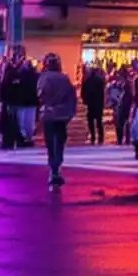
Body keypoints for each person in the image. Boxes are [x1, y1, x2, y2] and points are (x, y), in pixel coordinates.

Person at [37, 53, 77, 187]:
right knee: (59, 141)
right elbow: (72, 96)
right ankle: (57, 167)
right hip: (62, 115)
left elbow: (40, 94)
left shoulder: (44, 78)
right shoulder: (64, 79)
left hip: (49, 114)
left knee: (50, 142)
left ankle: (53, 168)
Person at [81, 65, 106, 145]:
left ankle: (93, 136)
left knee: (91, 121)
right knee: (99, 121)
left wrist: (85, 100)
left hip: (91, 104)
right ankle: (100, 137)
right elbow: (102, 93)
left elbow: (83, 92)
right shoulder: (99, 81)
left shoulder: (87, 80)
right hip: (98, 103)